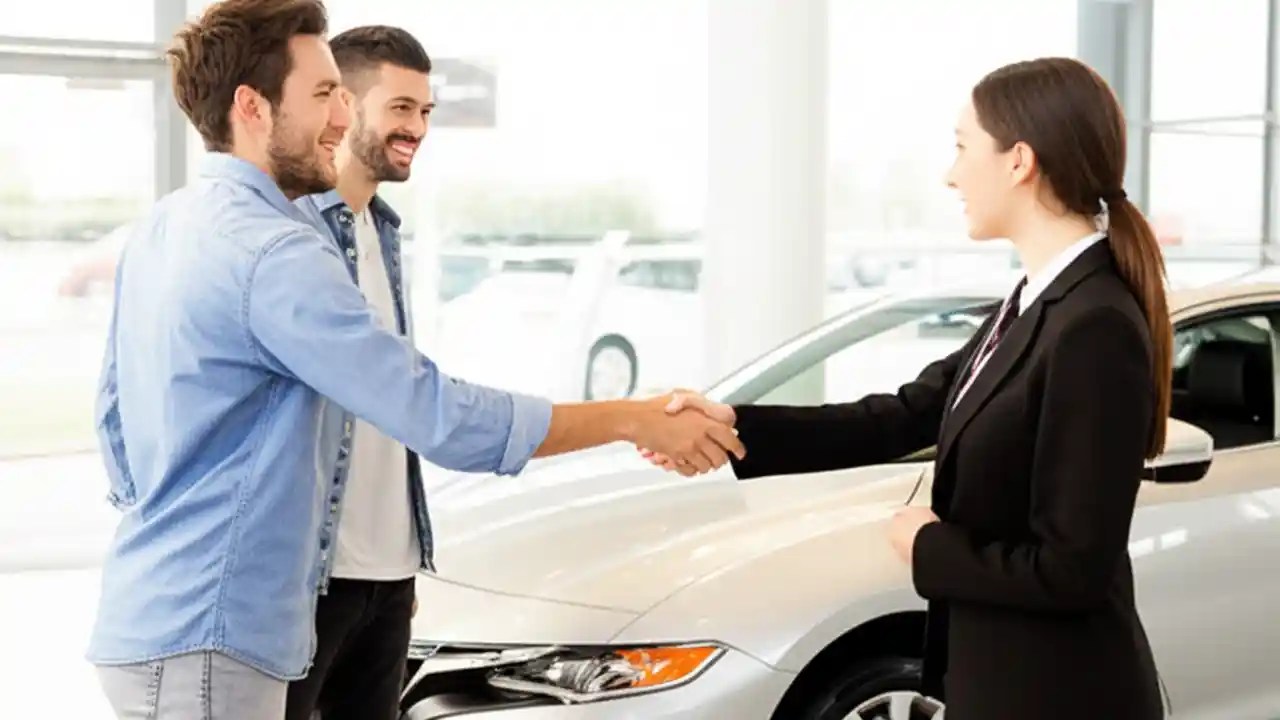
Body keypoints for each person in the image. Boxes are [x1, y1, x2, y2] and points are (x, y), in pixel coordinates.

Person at [87, 2, 742, 718]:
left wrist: (178, 531)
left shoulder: (166, 224)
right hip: (212, 635)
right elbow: (435, 414)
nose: (339, 118)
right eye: (322, 95)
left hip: (155, 613)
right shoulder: (276, 253)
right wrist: (631, 418)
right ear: (251, 107)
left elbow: (114, 418)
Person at [646, 56, 1169, 720]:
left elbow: (1072, 570)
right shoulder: (1036, 302)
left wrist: (927, 545)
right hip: (1007, 682)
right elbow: (905, 414)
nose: (950, 174)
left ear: (1019, 161)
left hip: (1060, 691)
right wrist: (728, 427)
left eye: (961, 147)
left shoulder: (1093, 324)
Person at [280, 24, 451, 720]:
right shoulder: (293, 237)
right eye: (401, 108)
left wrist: (401, 571)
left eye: (426, 112)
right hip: (315, 583)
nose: (417, 128)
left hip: (391, 573)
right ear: (343, 106)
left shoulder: (382, 230)